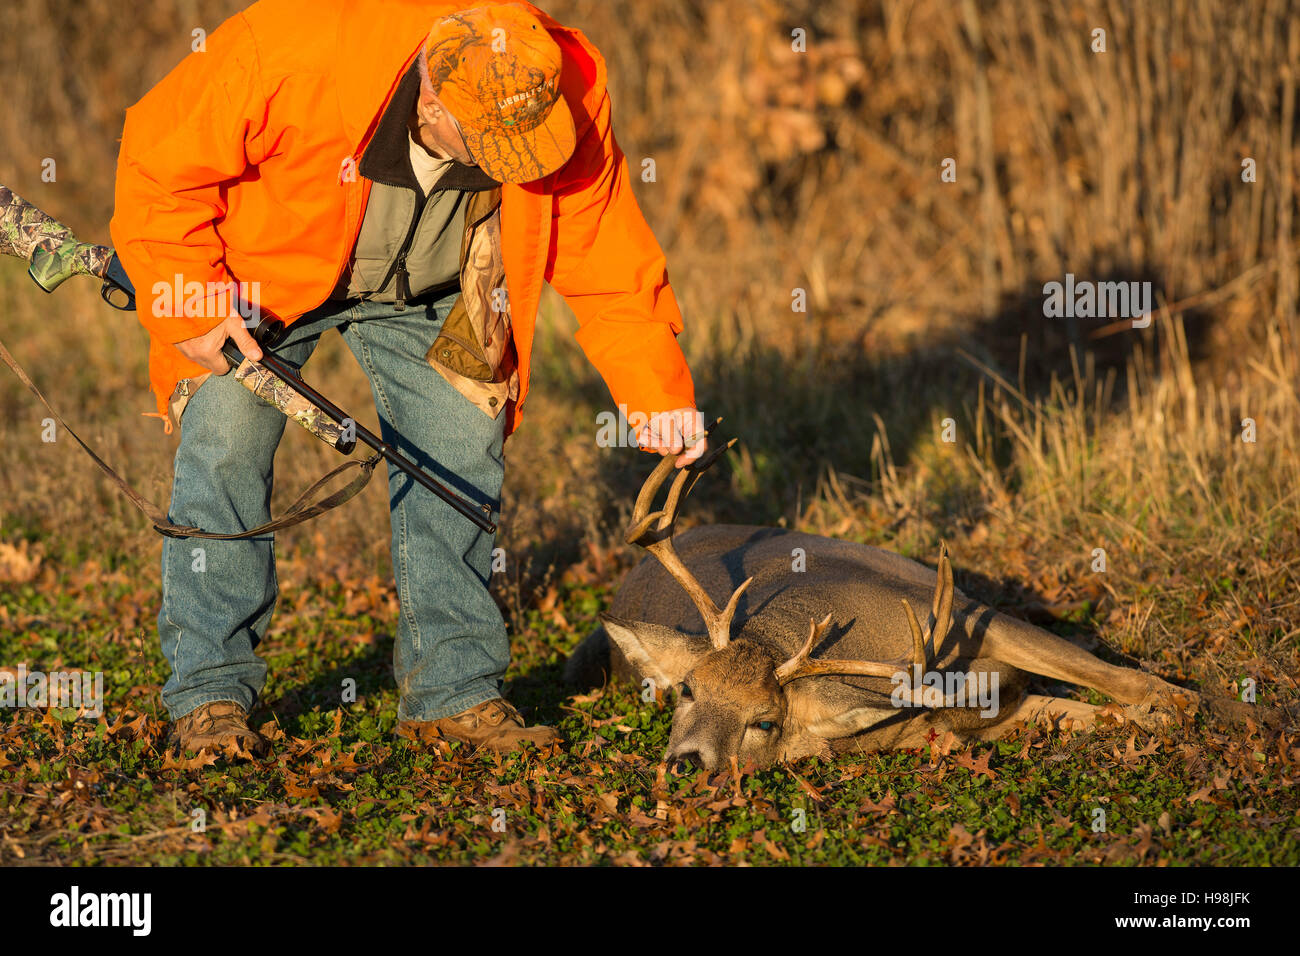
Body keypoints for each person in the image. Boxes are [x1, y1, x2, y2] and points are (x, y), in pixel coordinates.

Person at [109, 0, 707, 756]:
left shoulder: (557, 89)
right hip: (260, 285)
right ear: (430, 93)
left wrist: (655, 395)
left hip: (442, 290)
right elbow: (160, 163)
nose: (511, 165)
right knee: (224, 445)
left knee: (459, 454)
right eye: (490, 146)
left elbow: (604, 251)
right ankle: (210, 696)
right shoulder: (291, 46)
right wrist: (189, 297)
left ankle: (451, 694)